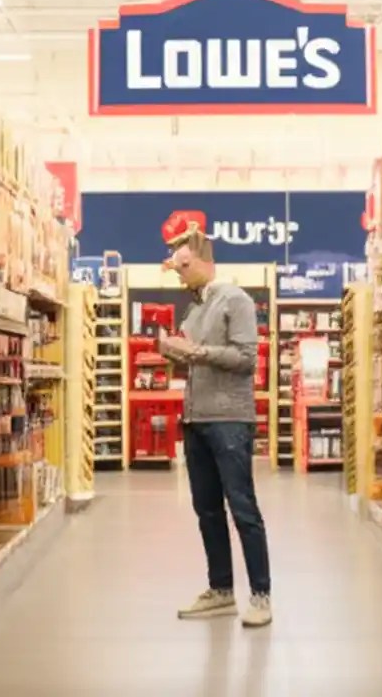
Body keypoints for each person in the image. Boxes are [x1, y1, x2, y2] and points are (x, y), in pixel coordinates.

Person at [159, 229, 272, 628]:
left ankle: (261, 595)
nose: (179, 272)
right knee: (207, 509)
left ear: (206, 261)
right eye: (175, 266)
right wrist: (173, 352)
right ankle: (221, 590)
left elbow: (246, 358)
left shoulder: (235, 300)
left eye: (184, 264)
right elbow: (192, 362)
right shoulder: (192, 310)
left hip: (229, 420)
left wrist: (199, 352)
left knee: (243, 508)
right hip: (196, 420)